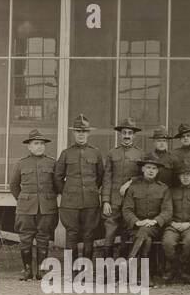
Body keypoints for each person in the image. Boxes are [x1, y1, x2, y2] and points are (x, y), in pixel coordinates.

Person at [8, 128, 58, 281]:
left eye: (42, 143)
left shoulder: (52, 163)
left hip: (46, 207)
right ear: (29, 146)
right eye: (36, 143)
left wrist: (49, 197)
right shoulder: (21, 164)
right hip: (26, 208)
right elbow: (14, 185)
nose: (39, 146)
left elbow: (57, 185)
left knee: (44, 238)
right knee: (25, 238)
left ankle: (41, 271)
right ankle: (27, 270)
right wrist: (23, 199)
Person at [54, 114, 105, 261]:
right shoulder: (66, 153)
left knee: (89, 233)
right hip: (70, 202)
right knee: (72, 233)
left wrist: (91, 189)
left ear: (88, 133)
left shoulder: (95, 152)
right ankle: (71, 267)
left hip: (90, 201)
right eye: (78, 131)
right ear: (73, 133)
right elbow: (57, 177)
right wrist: (67, 191)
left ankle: (86, 267)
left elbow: (100, 176)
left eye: (84, 131)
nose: (81, 134)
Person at [120, 157, 172, 284]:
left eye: (154, 168)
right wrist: (137, 222)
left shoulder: (163, 188)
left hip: (155, 227)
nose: (151, 171)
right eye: (148, 167)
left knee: (145, 233)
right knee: (146, 239)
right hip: (135, 227)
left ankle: (130, 260)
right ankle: (144, 276)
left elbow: (167, 211)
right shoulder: (133, 187)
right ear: (143, 169)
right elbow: (127, 210)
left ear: (157, 171)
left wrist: (154, 221)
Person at [101, 117, 142, 257]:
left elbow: (143, 176)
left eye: (130, 133)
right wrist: (105, 201)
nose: (126, 136)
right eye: (124, 133)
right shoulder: (112, 153)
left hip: (131, 200)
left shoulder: (140, 154)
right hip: (114, 200)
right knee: (109, 231)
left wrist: (130, 182)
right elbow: (107, 178)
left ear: (134, 135)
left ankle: (123, 264)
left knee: (127, 232)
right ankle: (107, 264)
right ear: (120, 134)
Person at [162, 166, 190, 285]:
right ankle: (180, 271)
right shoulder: (170, 191)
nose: (185, 177)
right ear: (178, 176)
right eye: (182, 174)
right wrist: (172, 223)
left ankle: (179, 269)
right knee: (168, 242)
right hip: (172, 225)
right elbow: (166, 210)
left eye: (188, 174)